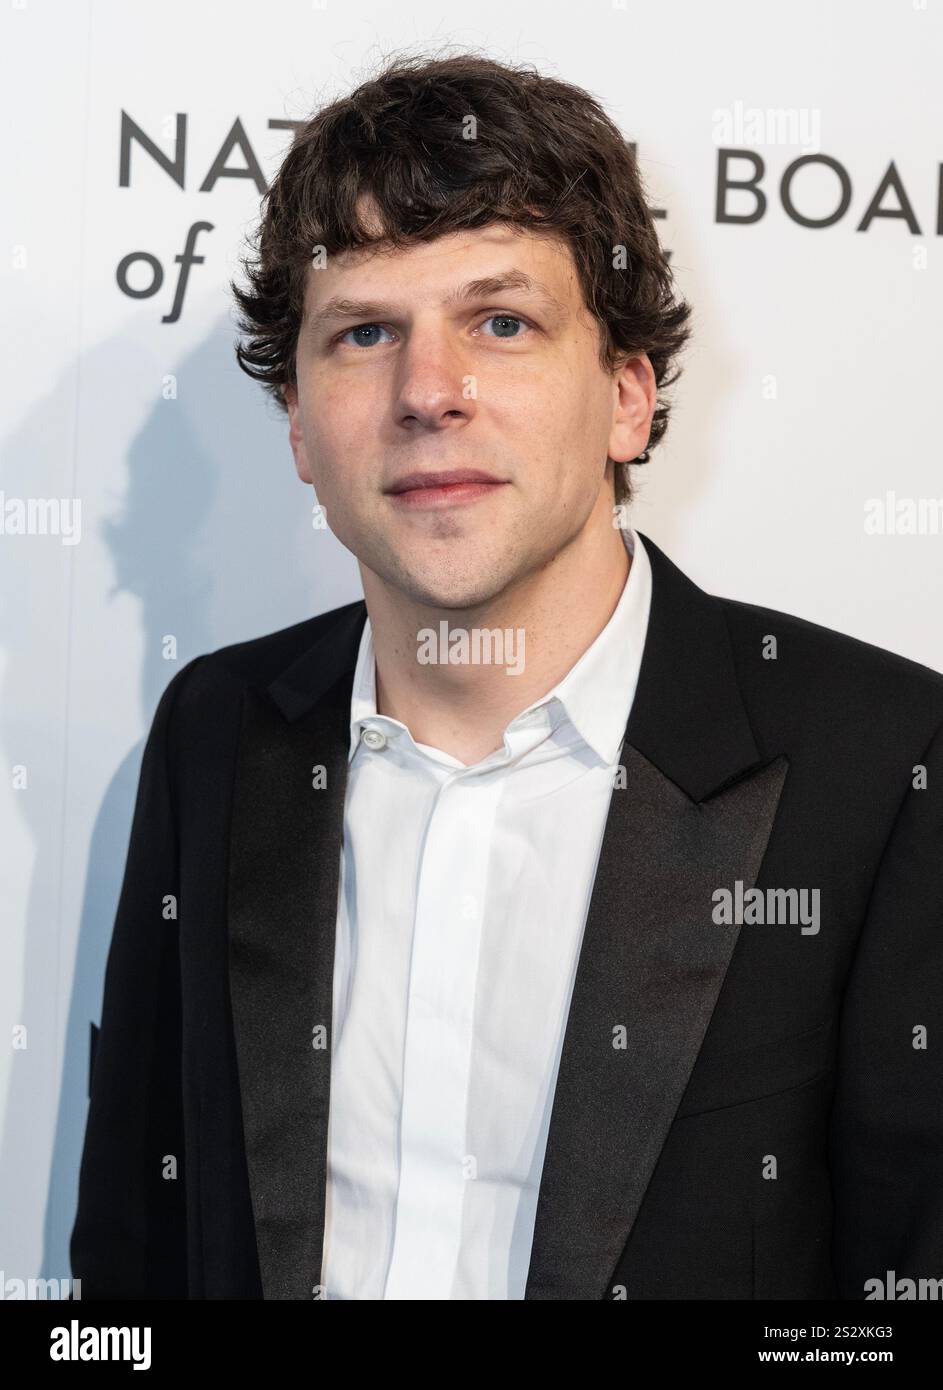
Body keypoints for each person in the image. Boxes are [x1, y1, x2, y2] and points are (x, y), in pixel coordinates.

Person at [71, 51, 943, 1300]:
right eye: (365, 331)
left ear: (626, 398)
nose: (430, 391)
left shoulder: (885, 761)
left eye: (501, 322)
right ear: (301, 431)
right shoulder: (216, 732)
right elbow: (135, 1258)